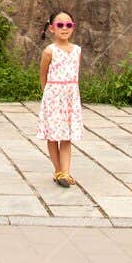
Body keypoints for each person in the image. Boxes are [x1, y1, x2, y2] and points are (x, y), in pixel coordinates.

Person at [38, 11, 84, 187]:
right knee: (53, 136)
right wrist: (47, 94)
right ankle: (58, 170)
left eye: (68, 25)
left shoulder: (77, 50)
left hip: (70, 97)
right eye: (60, 25)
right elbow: (43, 75)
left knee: (66, 136)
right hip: (53, 97)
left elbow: (75, 74)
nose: (64, 28)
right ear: (51, 28)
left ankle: (65, 172)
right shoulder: (49, 51)